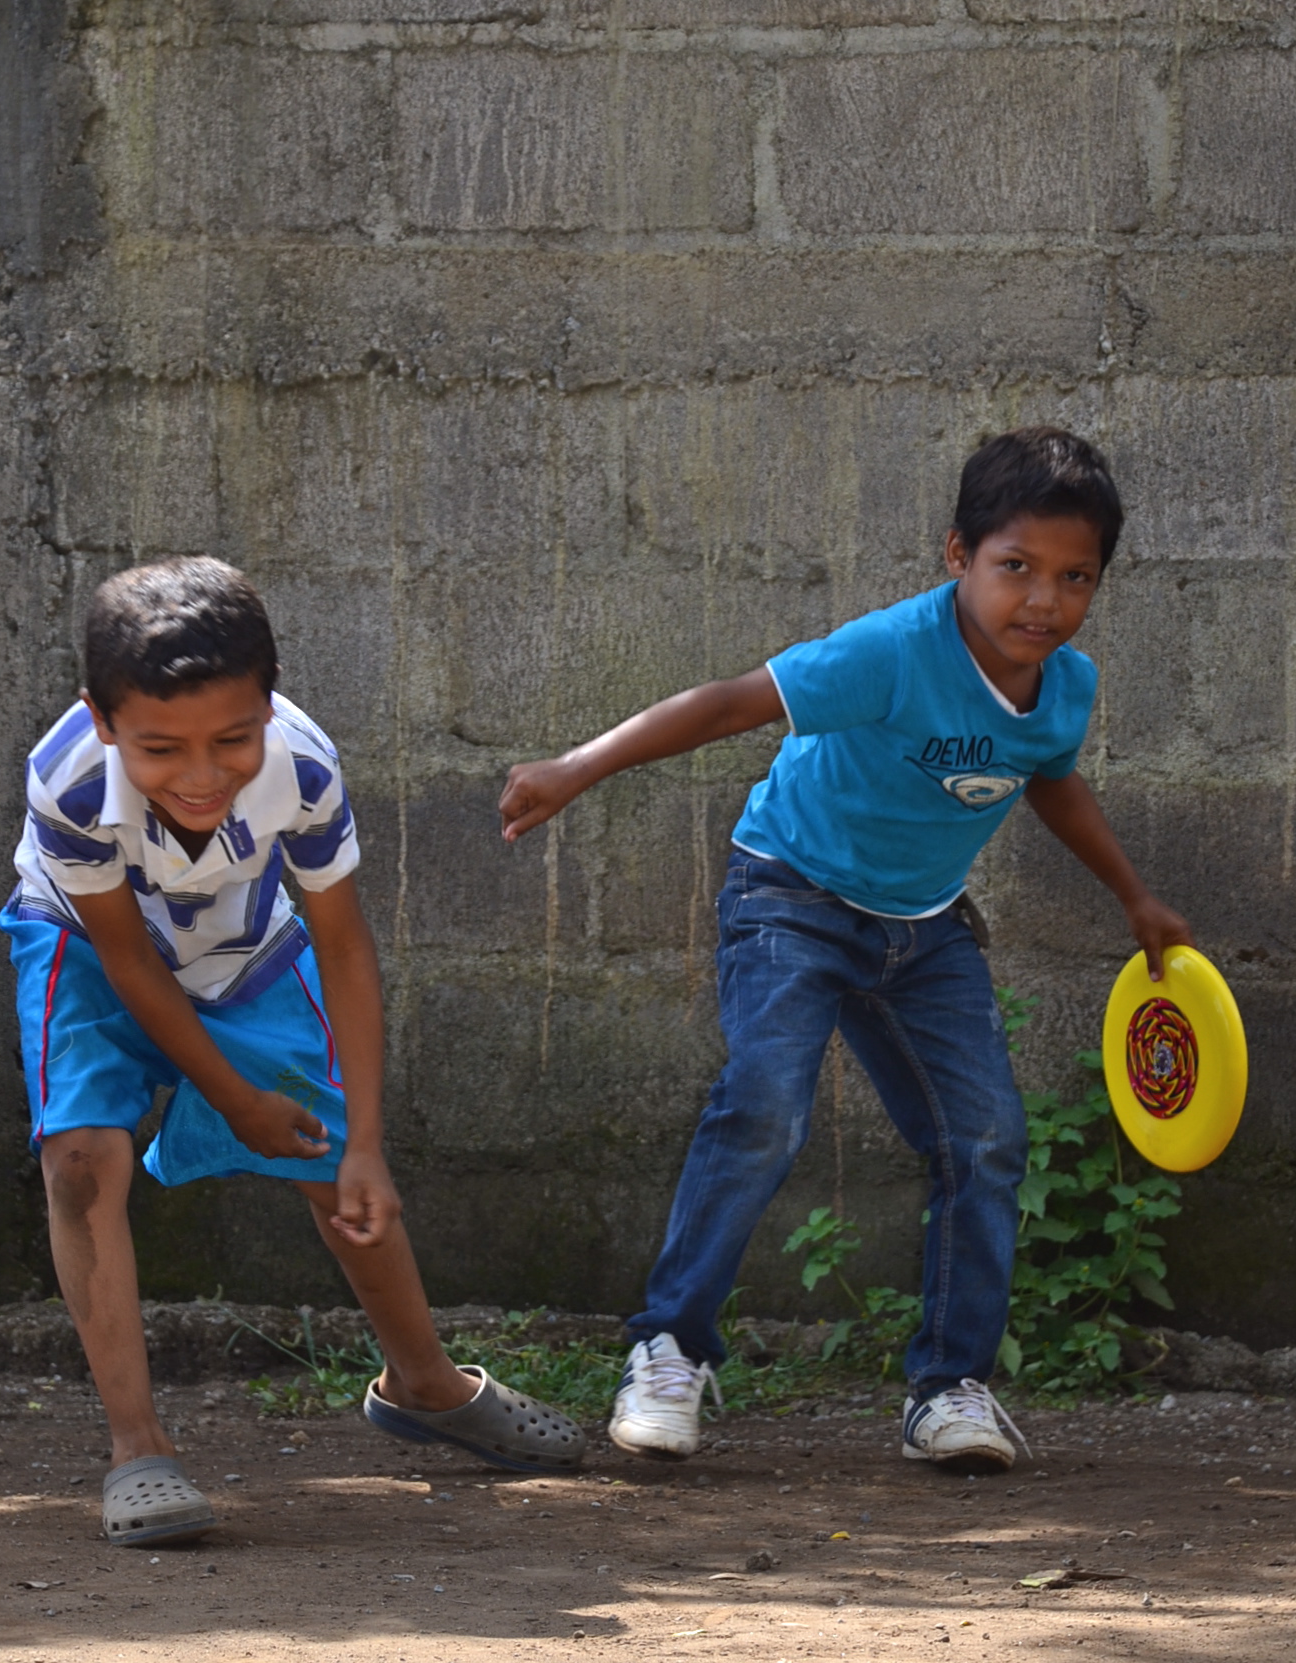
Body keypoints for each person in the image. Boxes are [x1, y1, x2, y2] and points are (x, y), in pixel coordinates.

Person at [499, 427, 1191, 1471]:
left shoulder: (1063, 685)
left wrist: (1133, 895)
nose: (1040, 601)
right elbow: (733, 702)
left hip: (924, 929)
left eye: (1072, 577)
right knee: (766, 1105)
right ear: (956, 555)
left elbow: (1049, 776)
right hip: (793, 895)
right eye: (1015, 569)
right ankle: (668, 1351)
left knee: (985, 1139)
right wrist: (574, 767)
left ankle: (947, 1389)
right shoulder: (890, 651)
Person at [2, 557, 584, 1548]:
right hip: (90, 952)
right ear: (103, 723)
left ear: (268, 709)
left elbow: (345, 945)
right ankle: (137, 1447)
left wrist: (365, 1140)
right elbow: (130, 962)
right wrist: (231, 1098)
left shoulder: (302, 765)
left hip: (249, 955)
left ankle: (425, 1386)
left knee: (341, 1176)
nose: (200, 774)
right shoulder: (70, 782)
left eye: (231, 739)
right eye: (160, 748)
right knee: (79, 1160)